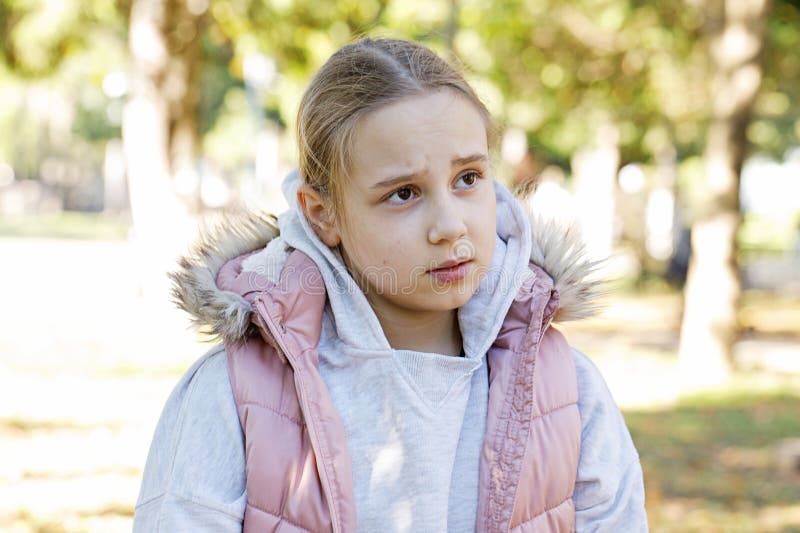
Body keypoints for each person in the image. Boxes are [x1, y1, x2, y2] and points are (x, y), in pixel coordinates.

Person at [133, 38, 647, 532]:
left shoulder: (564, 390)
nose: (450, 226)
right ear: (322, 215)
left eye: (468, 179)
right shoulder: (236, 394)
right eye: (404, 193)